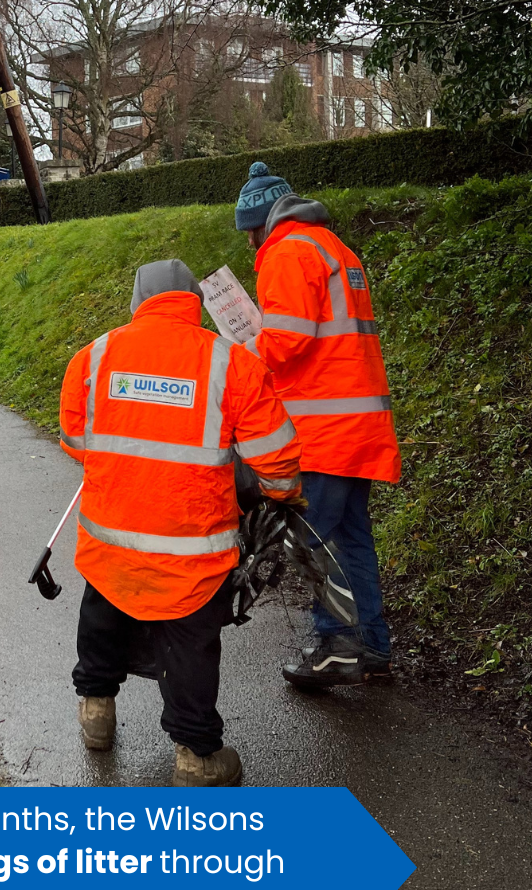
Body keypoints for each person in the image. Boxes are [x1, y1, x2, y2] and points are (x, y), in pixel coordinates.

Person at [59, 259, 303, 786]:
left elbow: (77, 442)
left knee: (103, 611)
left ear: (136, 301)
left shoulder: (94, 357)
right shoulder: (230, 363)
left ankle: (96, 714)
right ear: (195, 301)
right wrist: (283, 495)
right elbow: (274, 456)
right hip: (191, 547)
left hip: (112, 535)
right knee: (191, 640)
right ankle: (196, 757)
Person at [234, 161, 402, 687]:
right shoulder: (335, 249)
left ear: (262, 223)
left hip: (322, 431)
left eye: (248, 234)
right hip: (360, 424)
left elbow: (285, 340)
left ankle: (336, 646)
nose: (249, 246)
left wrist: (239, 352)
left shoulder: (286, 253)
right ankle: (372, 644)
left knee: (313, 541)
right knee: (353, 538)